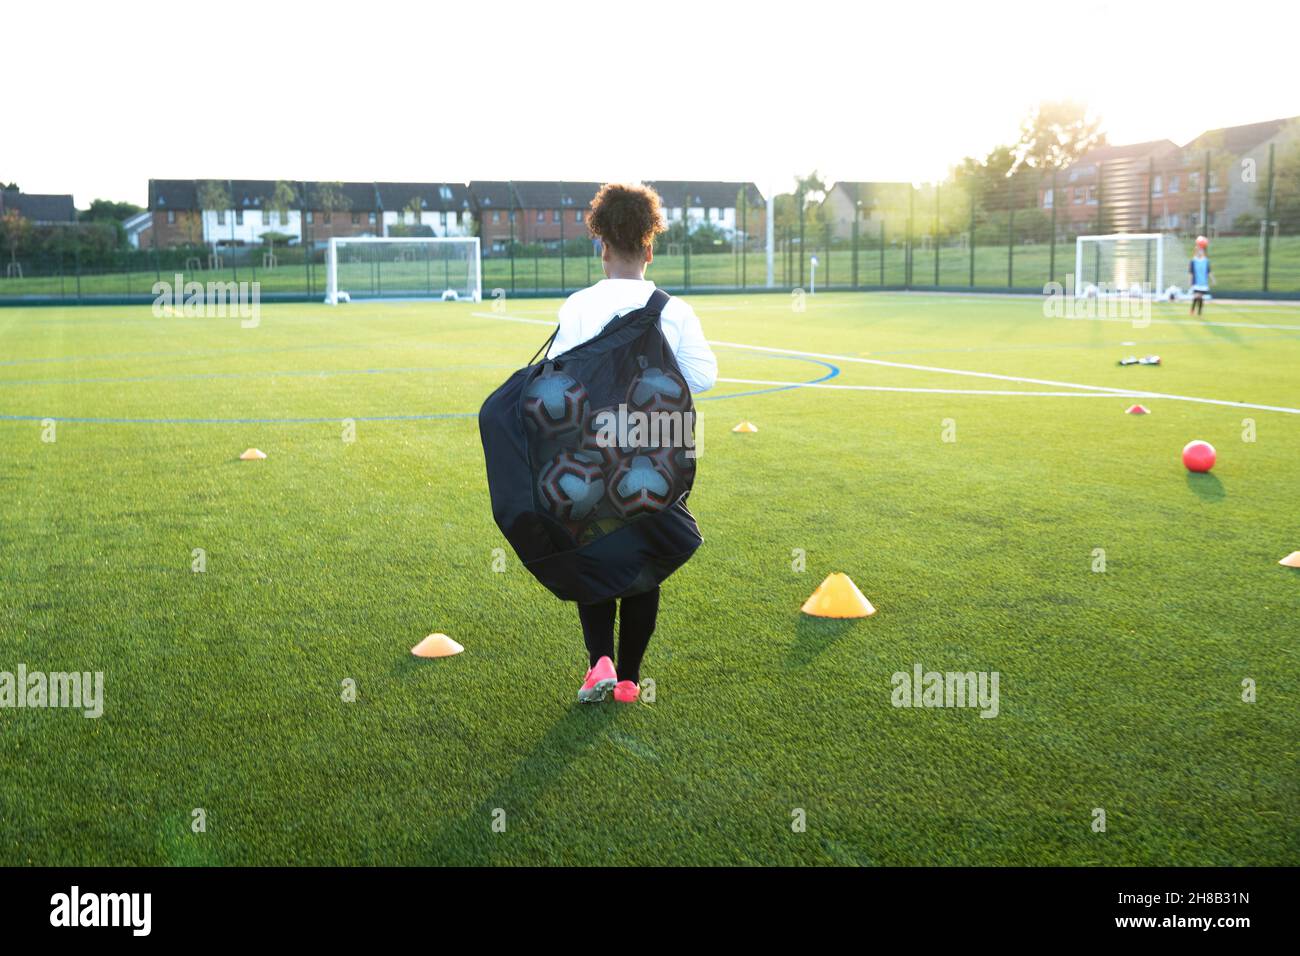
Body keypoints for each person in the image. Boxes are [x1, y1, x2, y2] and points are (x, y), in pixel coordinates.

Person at [549, 183, 717, 704]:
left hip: (590, 453)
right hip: (654, 454)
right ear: (649, 248)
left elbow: (556, 378)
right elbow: (704, 377)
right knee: (645, 562)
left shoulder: (579, 305)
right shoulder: (673, 309)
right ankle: (628, 679)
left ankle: (598, 660)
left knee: (594, 550)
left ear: (602, 247)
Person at [1189, 236, 1214, 315]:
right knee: (1197, 296)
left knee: (1200, 297)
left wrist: (1212, 279)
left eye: (1201, 251)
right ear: (1196, 252)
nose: (1200, 252)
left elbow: (1209, 271)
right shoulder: (1193, 261)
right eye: (1199, 251)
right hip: (1196, 282)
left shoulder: (1206, 261)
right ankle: (1192, 309)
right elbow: (1191, 272)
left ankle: (1199, 312)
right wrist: (1190, 281)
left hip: (1203, 282)